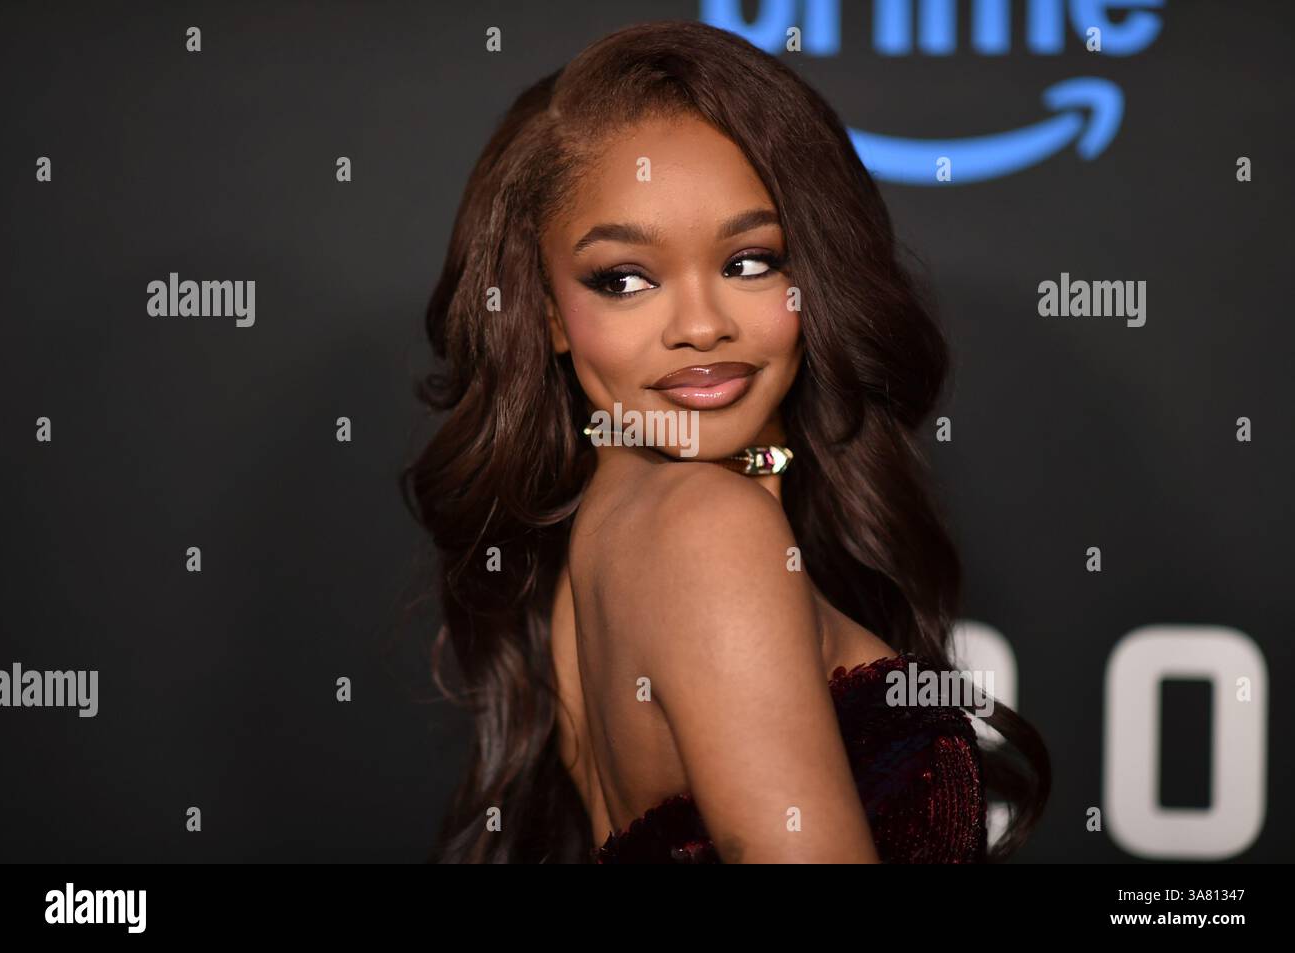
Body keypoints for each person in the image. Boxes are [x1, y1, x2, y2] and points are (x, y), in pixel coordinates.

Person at [402, 19, 1050, 863]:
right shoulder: (709, 525)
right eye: (625, 279)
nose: (702, 327)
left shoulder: (607, 531)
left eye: (750, 261)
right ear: (550, 313)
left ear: (813, 272)